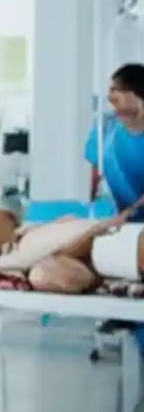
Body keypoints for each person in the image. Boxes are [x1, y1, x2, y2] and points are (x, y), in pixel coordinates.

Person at [84, 62, 144, 354]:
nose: (111, 98)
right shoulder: (106, 127)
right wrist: (92, 209)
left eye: (116, 91)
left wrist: (132, 211)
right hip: (118, 224)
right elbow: (95, 170)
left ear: (136, 95)